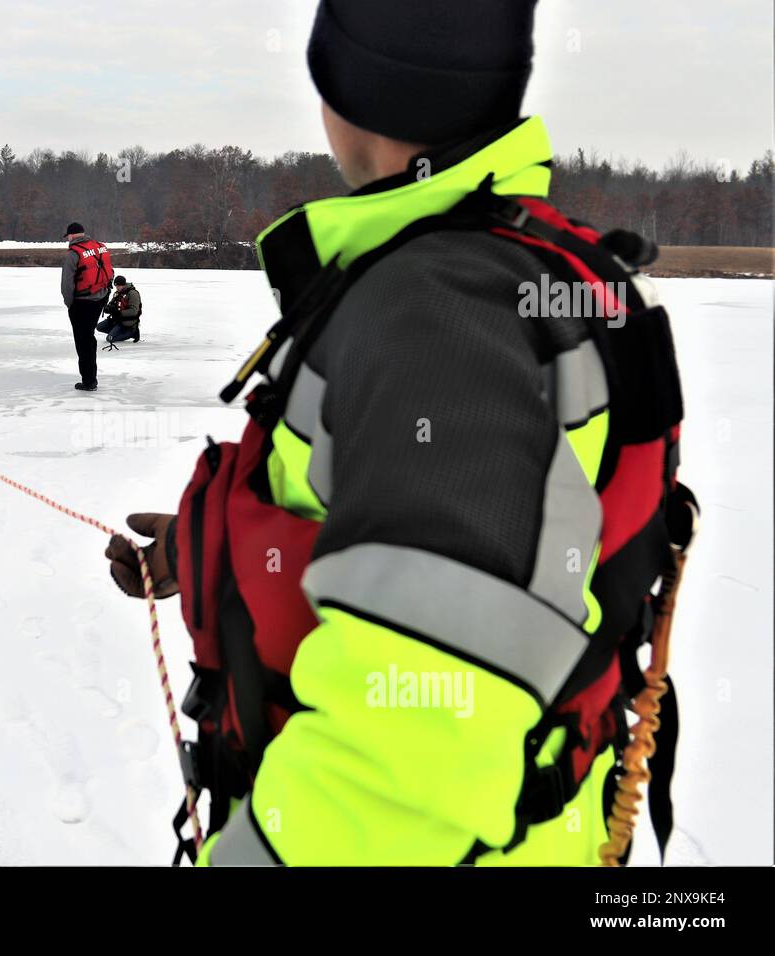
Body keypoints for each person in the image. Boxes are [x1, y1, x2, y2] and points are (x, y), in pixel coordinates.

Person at [104, 0, 692, 868]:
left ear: (348, 87)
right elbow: (481, 533)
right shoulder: (520, 270)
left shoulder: (441, 313)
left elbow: (412, 758)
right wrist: (203, 552)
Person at [60, 222, 113, 391]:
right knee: (88, 337)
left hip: (82, 303)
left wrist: (70, 304)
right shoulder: (100, 247)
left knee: (83, 341)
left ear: (71, 235)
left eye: (67, 236)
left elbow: (66, 284)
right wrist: (105, 294)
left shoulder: (72, 254)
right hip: (100, 298)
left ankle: (89, 381)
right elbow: (110, 272)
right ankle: (91, 377)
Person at [97, 275, 142, 347]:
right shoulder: (118, 293)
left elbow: (134, 311)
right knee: (99, 327)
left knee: (110, 339)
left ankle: (132, 333)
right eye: (116, 286)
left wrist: (119, 313)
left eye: (118, 286)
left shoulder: (132, 293)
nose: (117, 288)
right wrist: (108, 308)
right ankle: (118, 331)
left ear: (123, 285)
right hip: (117, 320)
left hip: (126, 321)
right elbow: (112, 304)